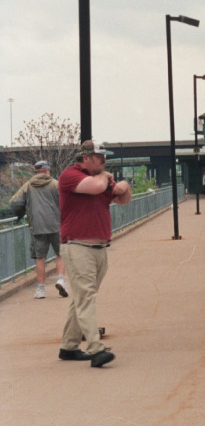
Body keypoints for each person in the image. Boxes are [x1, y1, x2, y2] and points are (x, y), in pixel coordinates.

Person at [57, 140, 132, 368]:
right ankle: (95, 348)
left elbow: (122, 200)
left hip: (99, 248)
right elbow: (97, 186)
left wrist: (124, 185)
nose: (104, 161)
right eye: (101, 157)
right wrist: (107, 176)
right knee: (86, 297)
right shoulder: (70, 176)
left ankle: (68, 347)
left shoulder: (100, 179)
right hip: (78, 246)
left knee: (82, 298)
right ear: (87, 157)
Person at [10, 160, 68, 299]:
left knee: (40, 258)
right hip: (57, 225)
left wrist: (23, 209)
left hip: (37, 227)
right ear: (47, 170)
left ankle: (41, 289)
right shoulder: (56, 184)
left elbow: (14, 203)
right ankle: (60, 279)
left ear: (36, 172)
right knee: (61, 254)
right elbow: (66, 201)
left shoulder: (28, 186)